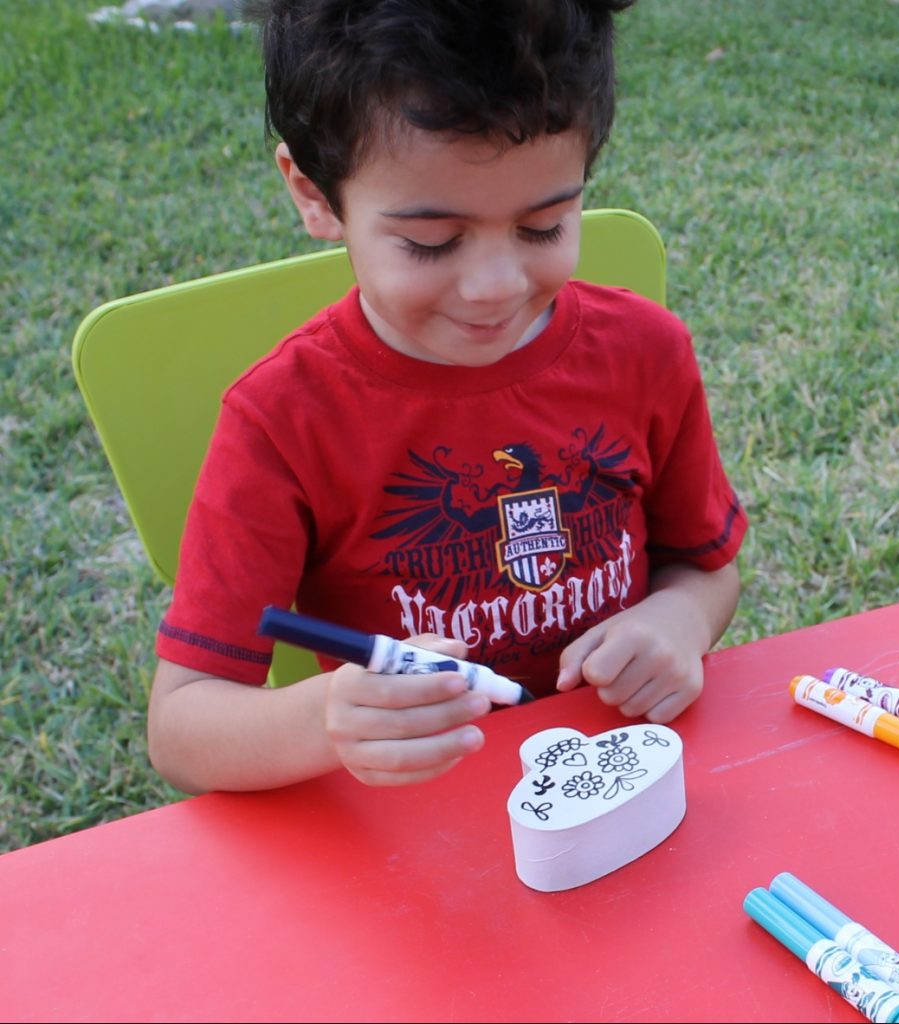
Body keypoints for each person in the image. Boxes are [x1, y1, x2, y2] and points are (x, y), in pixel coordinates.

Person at [148, 0, 748, 796]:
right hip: (417, 819)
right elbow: (181, 726)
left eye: (544, 226)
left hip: (625, 782)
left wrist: (680, 618)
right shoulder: (282, 421)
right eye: (431, 242)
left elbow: (706, 568)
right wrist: (328, 719)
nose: (495, 286)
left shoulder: (645, 351)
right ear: (315, 195)